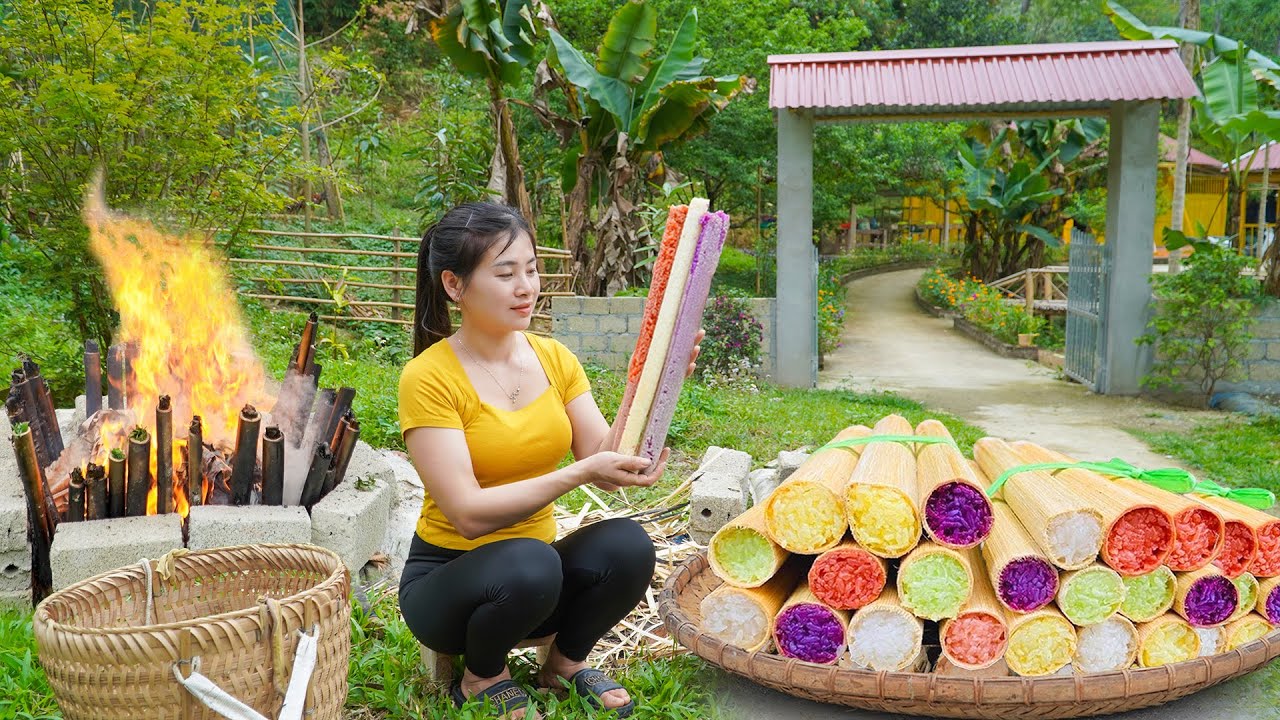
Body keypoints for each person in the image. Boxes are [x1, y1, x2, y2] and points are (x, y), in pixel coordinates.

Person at [397, 202, 702, 719]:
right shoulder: (428, 377)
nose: (526, 287)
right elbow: (468, 515)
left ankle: (564, 664)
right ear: (454, 285)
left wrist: (659, 378)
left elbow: (604, 461)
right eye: (505, 274)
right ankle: (482, 675)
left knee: (627, 544)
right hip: (450, 591)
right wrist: (578, 474)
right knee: (532, 562)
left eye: (532, 270)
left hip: (536, 587)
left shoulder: (554, 358)